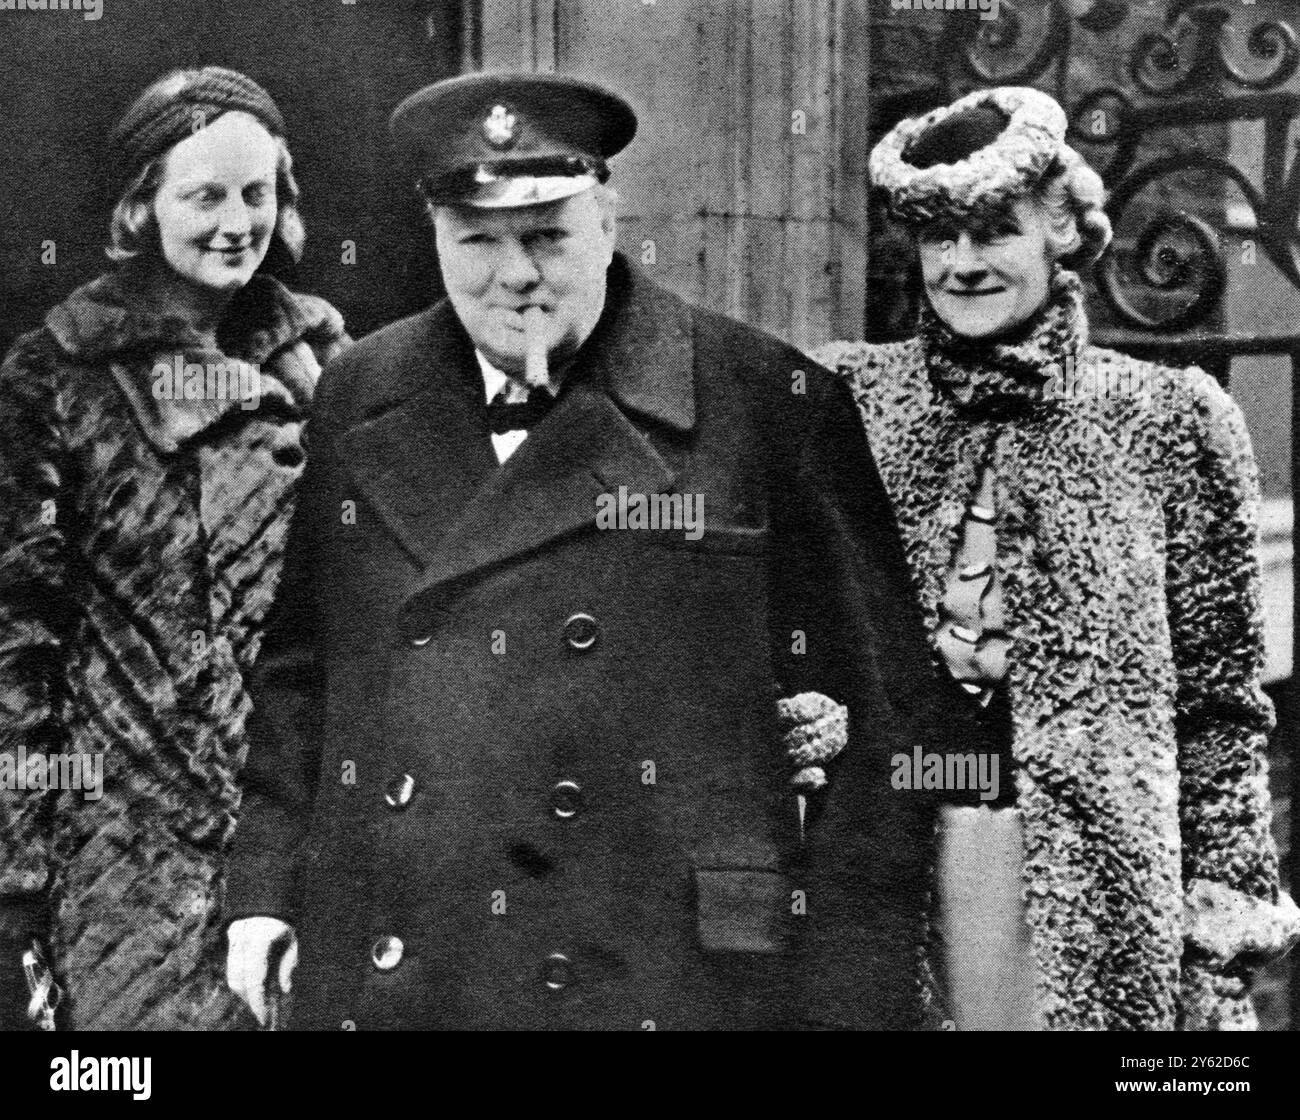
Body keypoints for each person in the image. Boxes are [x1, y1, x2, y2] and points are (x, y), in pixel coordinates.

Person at [223, 70, 947, 1030]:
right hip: (402, 955)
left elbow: (882, 731)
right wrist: (266, 889)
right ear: (434, 238)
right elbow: (300, 671)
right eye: (477, 241)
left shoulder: (770, 401)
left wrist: (853, 999)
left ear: (608, 221)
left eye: (547, 237)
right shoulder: (362, 391)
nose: (514, 275)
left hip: (665, 968)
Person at [812, 85, 1300, 1029]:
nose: (961, 265)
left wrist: (1221, 940)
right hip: (878, 882)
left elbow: (1219, 706)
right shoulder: (845, 404)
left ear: (1062, 232)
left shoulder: (1172, 421)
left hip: (1103, 896)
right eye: (936, 237)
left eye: (993, 231)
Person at [0, 66, 348, 1030]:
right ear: (142, 206)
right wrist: (20, 883)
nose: (238, 221)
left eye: (257, 193)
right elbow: (16, 647)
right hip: (123, 859)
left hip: (303, 838)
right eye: (203, 195)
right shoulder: (56, 380)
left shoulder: (332, 369)